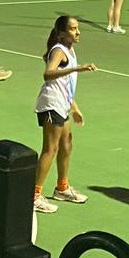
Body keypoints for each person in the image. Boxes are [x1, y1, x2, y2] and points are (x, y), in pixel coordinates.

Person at [32, 15, 96, 213]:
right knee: (50, 149)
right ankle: (33, 196)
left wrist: (74, 108)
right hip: (51, 104)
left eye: (77, 28)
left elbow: (65, 85)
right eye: (73, 29)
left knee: (66, 144)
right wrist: (77, 68)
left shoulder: (70, 49)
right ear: (61, 33)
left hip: (63, 104)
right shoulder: (59, 51)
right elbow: (48, 73)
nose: (77, 32)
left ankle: (62, 188)